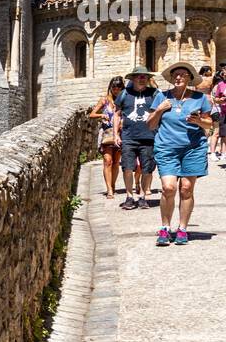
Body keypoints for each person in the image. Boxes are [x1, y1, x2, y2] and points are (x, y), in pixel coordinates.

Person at [149, 62, 214, 246]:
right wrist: (160, 110)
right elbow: (150, 125)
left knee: (186, 188)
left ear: (189, 79)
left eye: (183, 75)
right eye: (175, 75)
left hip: (193, 148)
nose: (178, 77)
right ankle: (165, 227)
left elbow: (210, 124)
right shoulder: (161, 97)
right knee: (168, 187)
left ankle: (182, 229)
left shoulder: (200, 98)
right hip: (167, 148)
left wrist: (198, 120)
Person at [116, 66, 160, 210]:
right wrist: (116, 134)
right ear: (133, 78)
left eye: (144, 76)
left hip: (149, 137)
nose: (142, 78)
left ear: (148, 79)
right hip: (129, 137)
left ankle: (142, 197)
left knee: (147, 169)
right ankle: (129, 196)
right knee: (127, 168)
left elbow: (162, 112)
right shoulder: (124, 94)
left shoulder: (155, 94)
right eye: (138, 76)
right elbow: (117, 114)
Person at [88, 77, 125, 199]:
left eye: (119, 88)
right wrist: (102, 114)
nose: (116, 90)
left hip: (120, 134)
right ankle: (109, 189)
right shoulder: (104, 100)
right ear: (110, 87)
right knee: (107, 161)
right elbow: (92, 114)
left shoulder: (124, 100)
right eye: (114, 87)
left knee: (115, 162)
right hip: (107, 134)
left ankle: (113, 185)